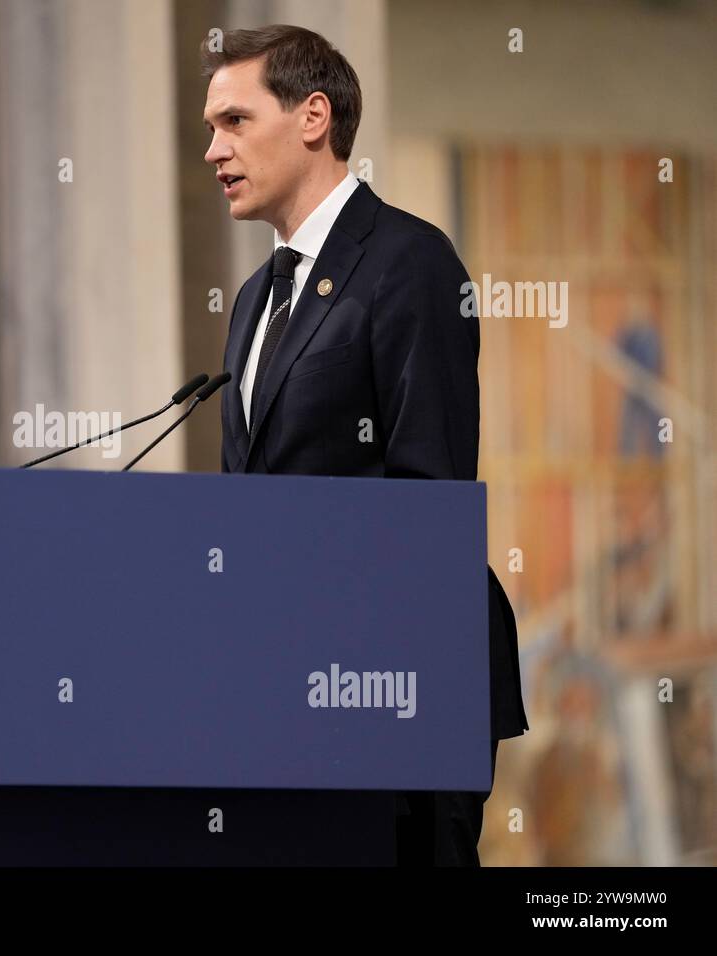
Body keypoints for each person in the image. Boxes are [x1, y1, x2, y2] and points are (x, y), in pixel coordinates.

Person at [201, 23, 528, 865]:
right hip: (283, 695)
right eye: (212, 127)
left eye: (234, 122)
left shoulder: (410, 263)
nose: (213, 150)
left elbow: (433, 499)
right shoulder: (253, 301)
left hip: (397, 688)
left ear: (314, 116)